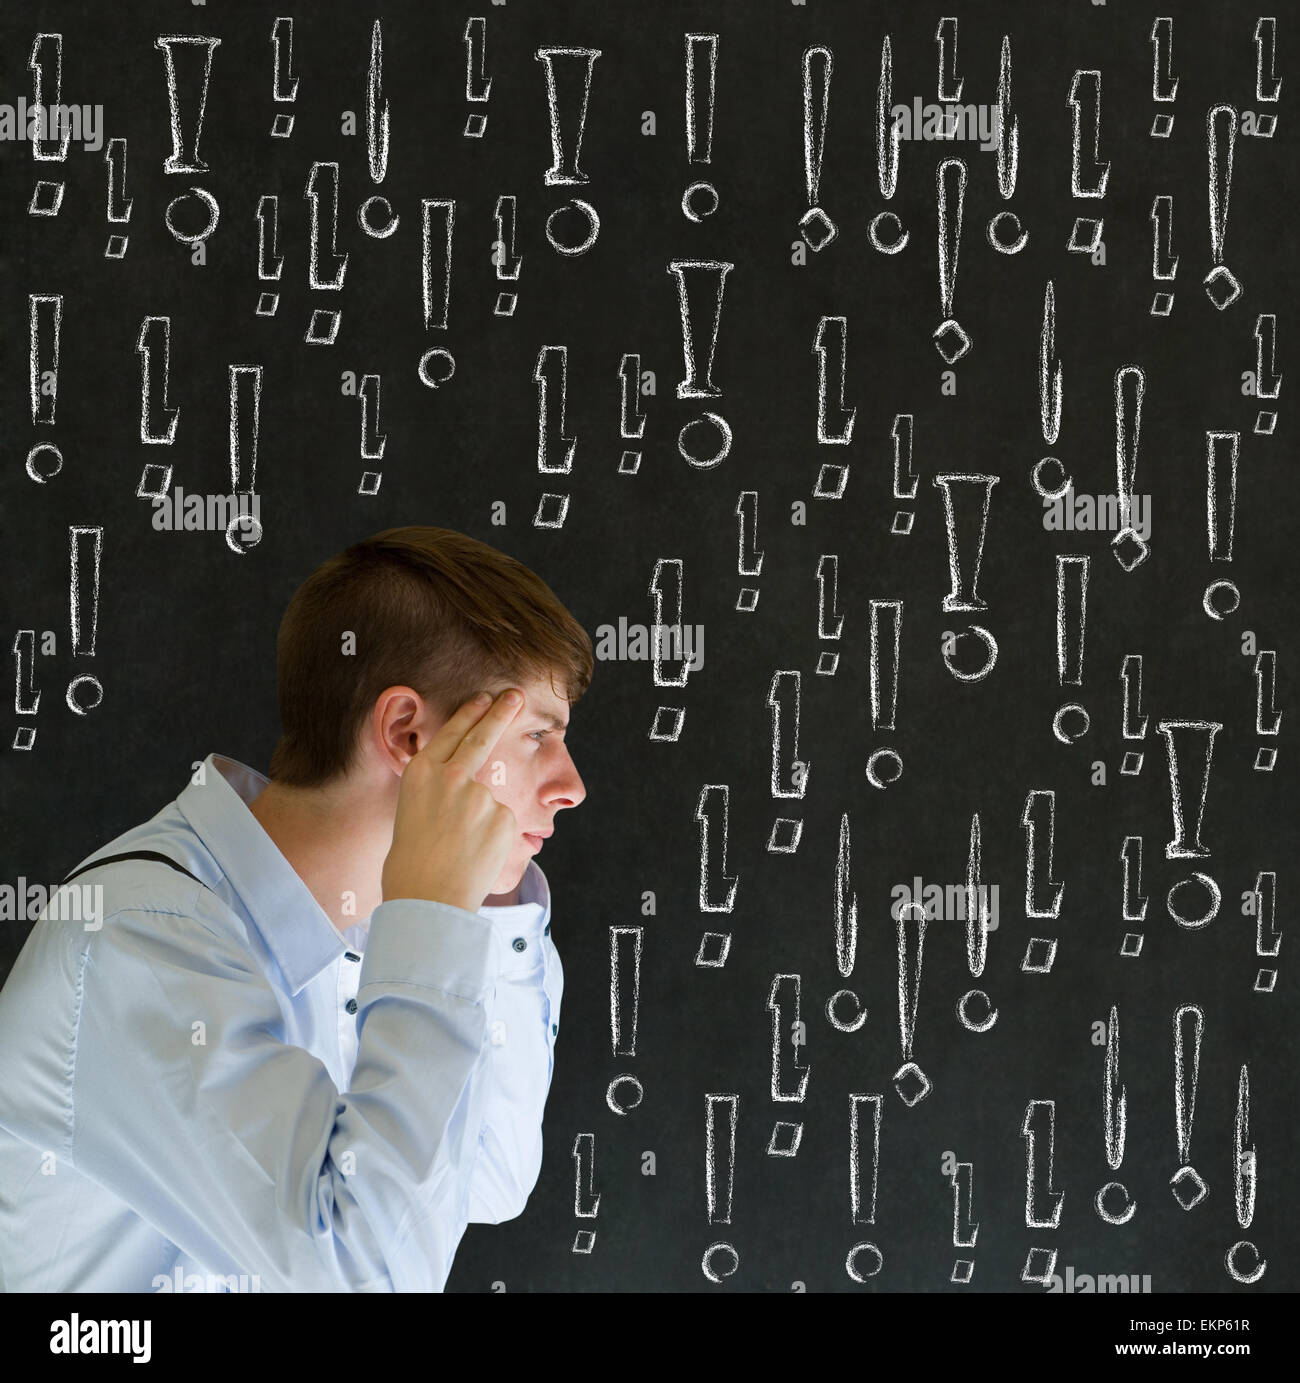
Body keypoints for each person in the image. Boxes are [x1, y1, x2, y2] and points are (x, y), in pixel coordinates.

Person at [0, 526, 591, 1291]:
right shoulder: (141, 938)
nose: (571, 784)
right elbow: (363, 1274)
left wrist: (486, 899)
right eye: (539, 735)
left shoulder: (360, 929)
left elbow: (488, 1175)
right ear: (410, 733)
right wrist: (435, 918)